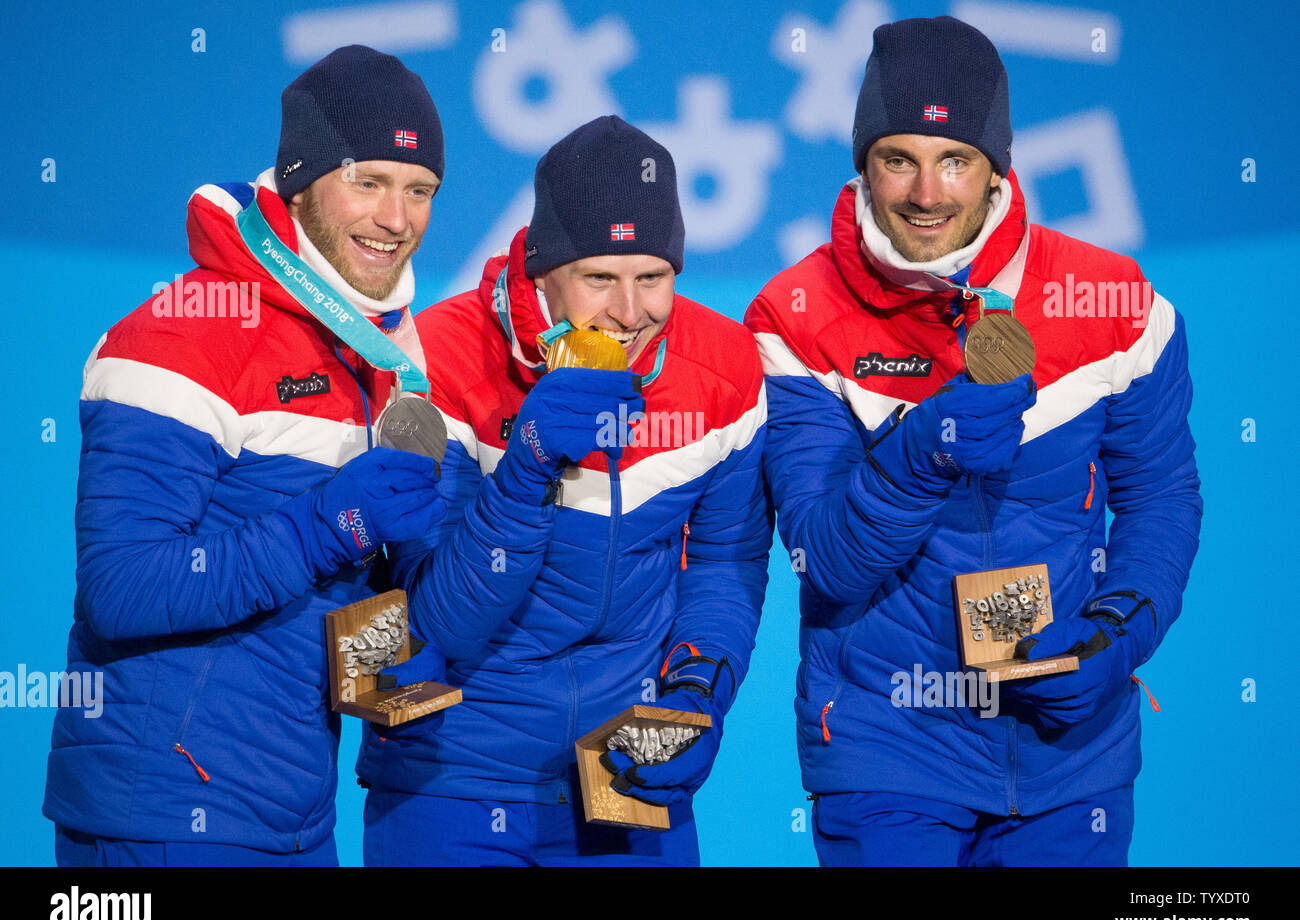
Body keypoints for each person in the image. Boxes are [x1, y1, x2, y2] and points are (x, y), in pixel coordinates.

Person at [745, 16, 1202, 866]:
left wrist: (1115, 632)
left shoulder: (1114, 301)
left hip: (1075, 750)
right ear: (862, 164)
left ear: (997, 165)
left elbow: (1161, 497)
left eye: (955, 159)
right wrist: (924, 453)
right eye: (899, 158)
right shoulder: (795, 317)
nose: (927, 192)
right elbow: (825, 560)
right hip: (890, 744)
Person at [44, 45, 448, 866]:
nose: (396, 219)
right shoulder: (180, 332)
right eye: (367, 181)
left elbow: (339, 589)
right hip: (159, 816)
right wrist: (327, 526)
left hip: (294, 812)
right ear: (299, 182)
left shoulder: (376, 353)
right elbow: (121, 588)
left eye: (420, 190)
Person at [356, 116, 769, 866]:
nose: (631, 312)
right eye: (600, 279)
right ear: (542, 273)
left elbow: (723, 563)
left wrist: (696, 696)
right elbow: (432, 622)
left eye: (654, 277)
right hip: (455, 779)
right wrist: (530, 465)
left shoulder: (724, 366)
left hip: (627, 779)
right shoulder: (432, 360)